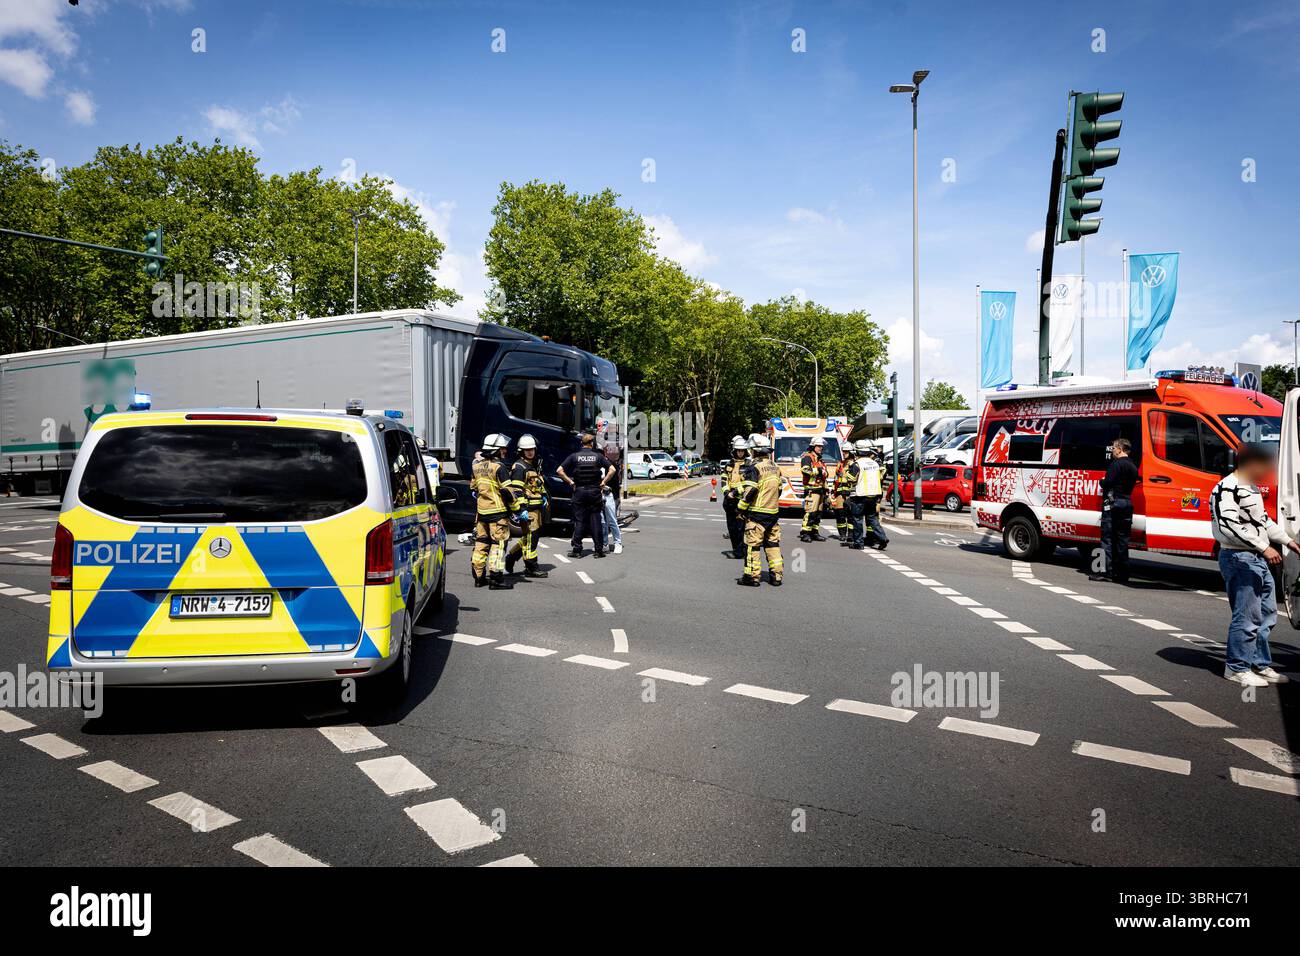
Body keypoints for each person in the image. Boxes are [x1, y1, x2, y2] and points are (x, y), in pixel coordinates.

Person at [1210, 442, 1300, 687]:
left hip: (1255, 559)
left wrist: (1288, 542)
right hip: (1239, 558)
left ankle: (1259, 663)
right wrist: (1264, 547)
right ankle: (1236, 667)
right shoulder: (1227, 489)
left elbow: (1262, 521)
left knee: (1267, 614)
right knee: (1247, 615)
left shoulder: (1250, 488)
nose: (1268, 472)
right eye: (1266, 466)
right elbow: (1229, 527)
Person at [470, 433, 524, 590]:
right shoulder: (499, 467)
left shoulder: (476, 466)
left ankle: (479, 577)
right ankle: (496, 579)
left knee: (481, 543)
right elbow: (508, 492)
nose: (505, 451)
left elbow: (473, 487)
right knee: (498, 545)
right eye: (502, 449)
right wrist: (517, 509)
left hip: (481, 513)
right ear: (495, 450)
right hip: (498, 514)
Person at [557, 431, 614, 558]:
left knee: (580, 520)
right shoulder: (598, 456)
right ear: (592, 444)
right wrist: (603, 482)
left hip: (580, 492)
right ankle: (598, 551)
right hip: (594, 492)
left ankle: (577, 550)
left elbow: (559, 470)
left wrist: (571, 482)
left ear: (581, 443)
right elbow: (612, 470)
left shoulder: (574, 456)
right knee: (595, 520)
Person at [737, 433, 783, 586]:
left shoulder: (754, 468)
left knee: (752, 546)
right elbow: (780, 489)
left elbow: (750, 491)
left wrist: (741, 507)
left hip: (757, 513)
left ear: (755, 451)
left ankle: (752, 577)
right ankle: (776, 576)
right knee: (772, 545)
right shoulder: (775, 467)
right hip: (773, 513)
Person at [1090, 438, 1139, 583]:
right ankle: (1122, 574)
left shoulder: (1116, 465)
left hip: (1113, 504)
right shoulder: (1133, 466)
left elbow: (1108, 482)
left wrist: (1102, 481)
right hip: (1126, 504)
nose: (1112, 451)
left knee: (1107, 539)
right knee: (1122, 541)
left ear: (1120, 449)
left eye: (1113, 448)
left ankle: (1105, 572)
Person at [503, 434, 549, 579]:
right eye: (526, 449)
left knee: (528, 538)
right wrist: (521, 509)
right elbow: (517, 490)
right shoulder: (519, 467)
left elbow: (537, 486)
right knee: (531, 539)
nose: (530, 452)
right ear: (521, 451)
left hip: (536, 510)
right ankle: (531, 566)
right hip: (528, 510)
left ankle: (511, 557)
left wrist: (544, 496)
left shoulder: (533, 466)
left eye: (532, 449)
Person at [846, 440, 889, 550]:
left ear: (857, 451)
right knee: (872, 519)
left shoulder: (857, 464)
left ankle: (858, 543)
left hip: (859, 496)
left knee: (857, 519)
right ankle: (882, 538)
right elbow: (880, 476)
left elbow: (850, 479)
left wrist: (847, 471)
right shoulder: (874, 463)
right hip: (873, 496)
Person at [721, 435, 750, 559]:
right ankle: (736, 550)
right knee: (732, 528)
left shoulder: (749, 465)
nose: (740, 453)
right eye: (738, 450)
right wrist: (727, 492)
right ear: (734, 451)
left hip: (741, 498)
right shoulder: (730, 464)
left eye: (742, 450)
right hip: (730, 499)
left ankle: (741, 551)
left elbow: (749, 483)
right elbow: (724, 479)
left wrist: (736, 492)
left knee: (741, 527)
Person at [799, 437, 829, 542]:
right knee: (810, 512)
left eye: (821, 446)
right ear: (813, 446)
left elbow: (824, 474)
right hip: (812, 489)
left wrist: (826, 489)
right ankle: (805, 533)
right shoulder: (808, 457)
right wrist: (819, 471)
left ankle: (814, 532)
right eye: (818, 446)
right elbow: (805, 470)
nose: (820, 448)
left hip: (820, 489)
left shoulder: (820, 459)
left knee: (818, 513)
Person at [602, 442, 624, 554]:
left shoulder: (612, 465)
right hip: (600, 495)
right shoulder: (599, 463)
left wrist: (617, 498)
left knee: (611, 520)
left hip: (611, 495)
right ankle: (604, 544)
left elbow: (616, 483)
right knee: (602, 521)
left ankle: (617, 543)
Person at [830, 445, 852, 546]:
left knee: (851, 515)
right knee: (839, 514)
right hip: (839, 492)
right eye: (843, 451)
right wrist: (833, 491)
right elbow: (836, 479)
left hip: (851, 493)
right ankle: (842, 534)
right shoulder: (840, 464)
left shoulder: (854, 464)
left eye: (846, 451)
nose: (844, 453)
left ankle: (851, 534)